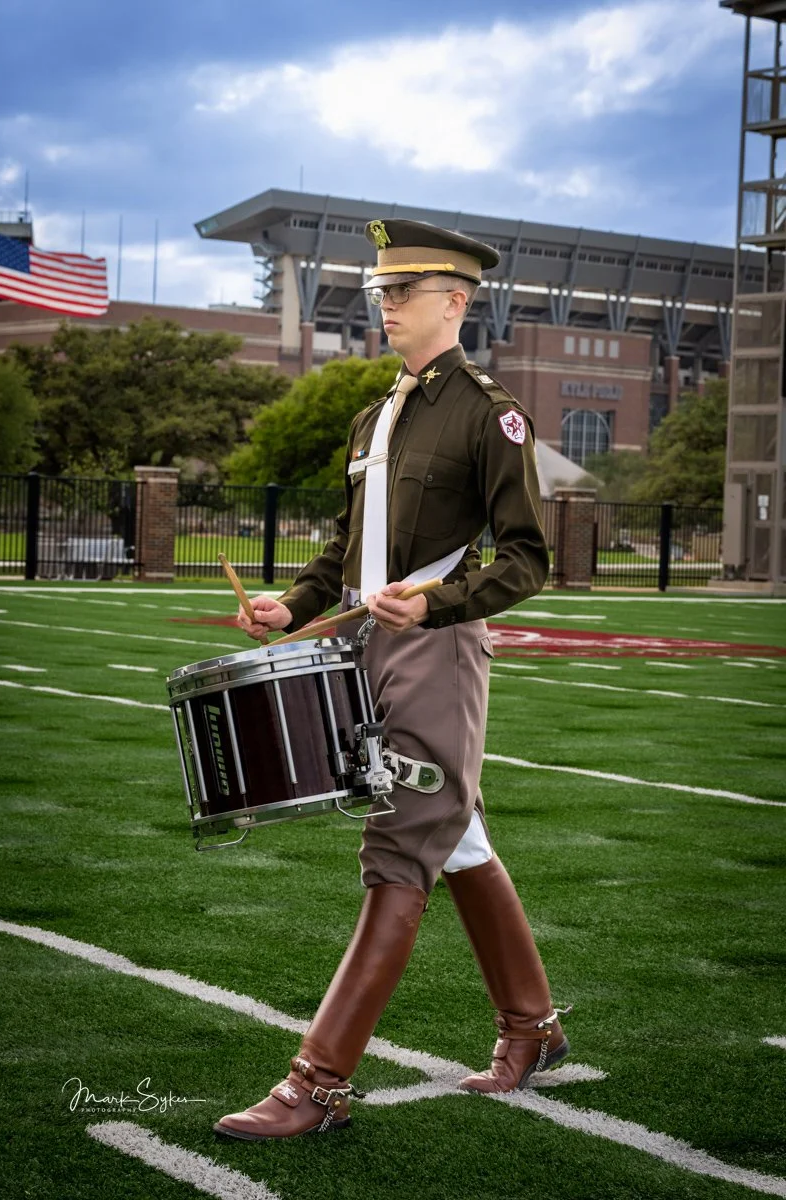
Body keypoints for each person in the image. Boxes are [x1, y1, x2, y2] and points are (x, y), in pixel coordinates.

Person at [214, 218, 569, 1143]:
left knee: (400, 851)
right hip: (369, 649)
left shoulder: (489, 412)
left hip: (437, 652)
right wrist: (290, 608)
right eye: (380, 292)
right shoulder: (376, 415)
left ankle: (316, 1083)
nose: (386, 306)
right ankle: (532, 1028)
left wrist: (443, 601)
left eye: (402, 292)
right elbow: (346, 548)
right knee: (458, 839)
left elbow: (530, 558)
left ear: (456, 301)